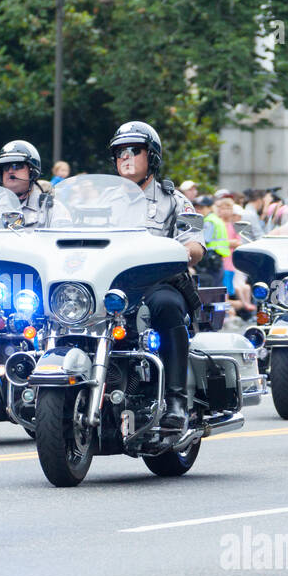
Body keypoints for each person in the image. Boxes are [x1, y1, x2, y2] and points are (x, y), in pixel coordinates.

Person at [109, 121, 206, 429]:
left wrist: (184, 252)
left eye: (133, 151)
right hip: (110, 284)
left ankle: (176, 400)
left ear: (151, 156)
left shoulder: (173, 199)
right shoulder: (103, 202)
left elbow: (195, 244)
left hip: (155, 282)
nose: (125, 157)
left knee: (167, 306)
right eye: (119, 152)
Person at [0, 140, 51, 224]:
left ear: (33, 172)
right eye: (6, 167)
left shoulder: (50, 208)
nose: (10, 171)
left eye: (17, 166)